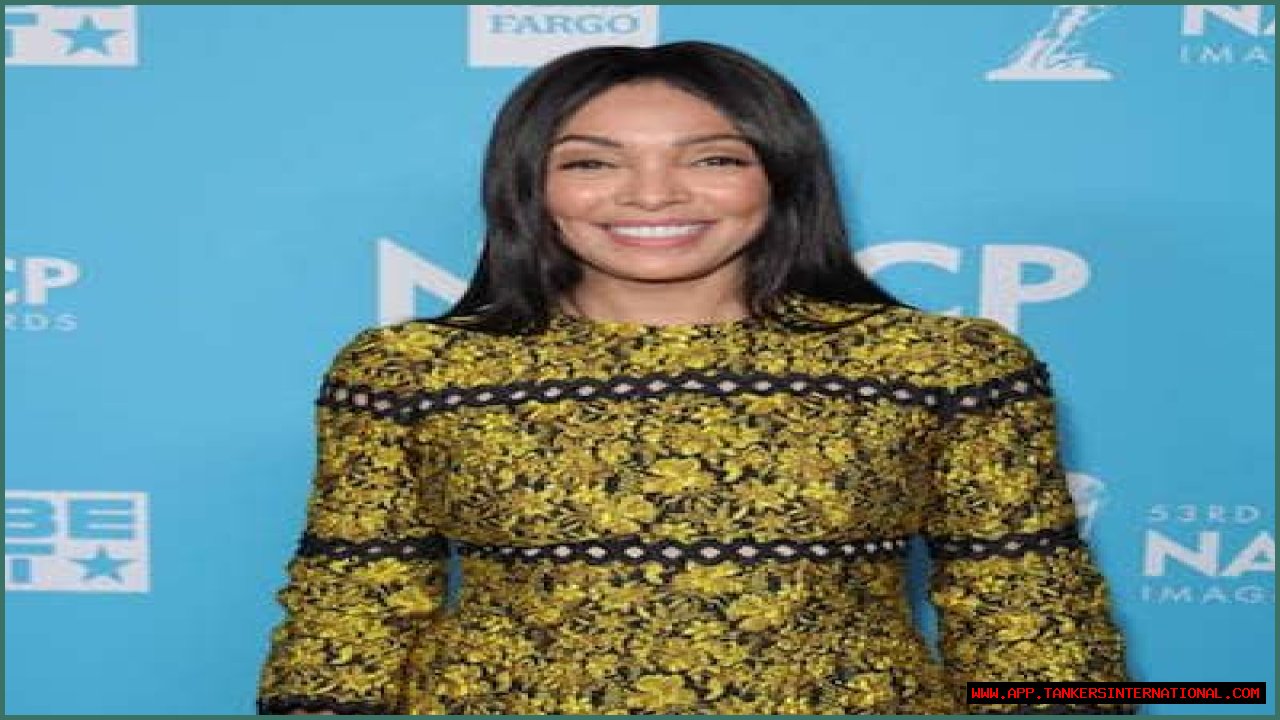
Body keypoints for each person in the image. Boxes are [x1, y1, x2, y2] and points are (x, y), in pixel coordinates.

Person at [255, 41, 1137, 715]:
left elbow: (1028, 606)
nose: (653, 195)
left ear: (780, 177)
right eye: (591, 161)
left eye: (713, 158)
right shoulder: (411, 372)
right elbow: (351, 607)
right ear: (529, 186)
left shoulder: (944, 366)